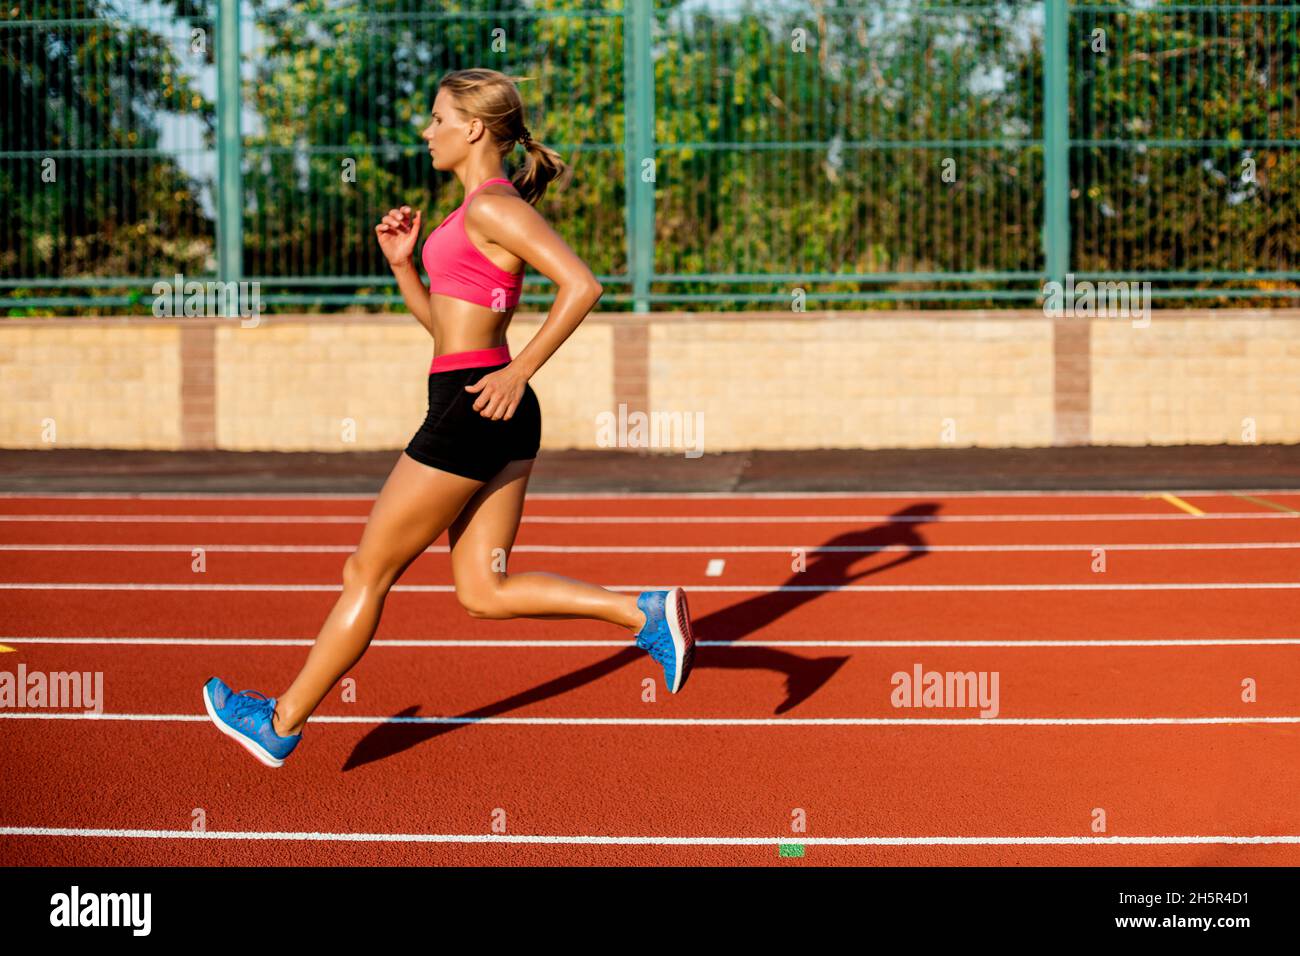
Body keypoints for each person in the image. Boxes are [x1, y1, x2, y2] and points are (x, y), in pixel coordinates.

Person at [202, 68, 695, 768]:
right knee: (483, 591)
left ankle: (278, 722)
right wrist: (405, 267)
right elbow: (446, 328)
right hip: (484, 401)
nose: (426, 131)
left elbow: (583, 285)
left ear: (472, 128)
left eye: (437, 119)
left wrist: (519, 368)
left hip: (477, 402)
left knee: (365, 572)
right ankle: (642, 614)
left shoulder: (495, 208)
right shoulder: (468, 216)